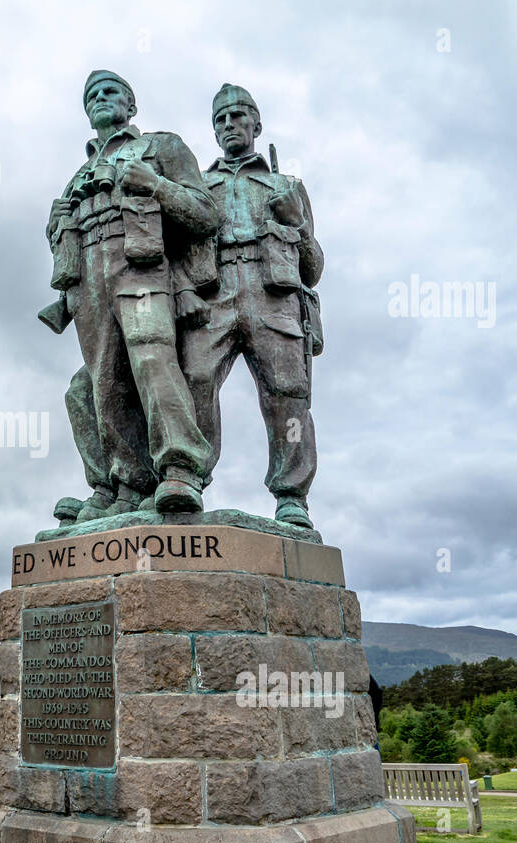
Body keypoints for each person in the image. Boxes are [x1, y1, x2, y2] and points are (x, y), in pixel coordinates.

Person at [46, 70, 217, 520]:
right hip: (88, 279)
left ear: (131, 105)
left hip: (141, 265)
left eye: (111, 92)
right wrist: (56, 224)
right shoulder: (78, 175)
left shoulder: (161, 147)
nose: (101, 99)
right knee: (103, 382)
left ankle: (180, 469)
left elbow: (205, 215)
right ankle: (126, 484)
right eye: (93, 96)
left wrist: (156, 185)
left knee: (152, 357)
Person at [178, 84, 324, 528]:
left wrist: (295, 222)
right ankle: (188, 479)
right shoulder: (198, 185)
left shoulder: (287, 185)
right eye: (220, 120)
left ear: (256, 124)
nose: (228, 126)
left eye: (237, 117)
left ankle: (291, 496)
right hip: (214, 293)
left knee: (287, 395)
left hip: (272, 294)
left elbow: (313, 268)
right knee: (194, 380)